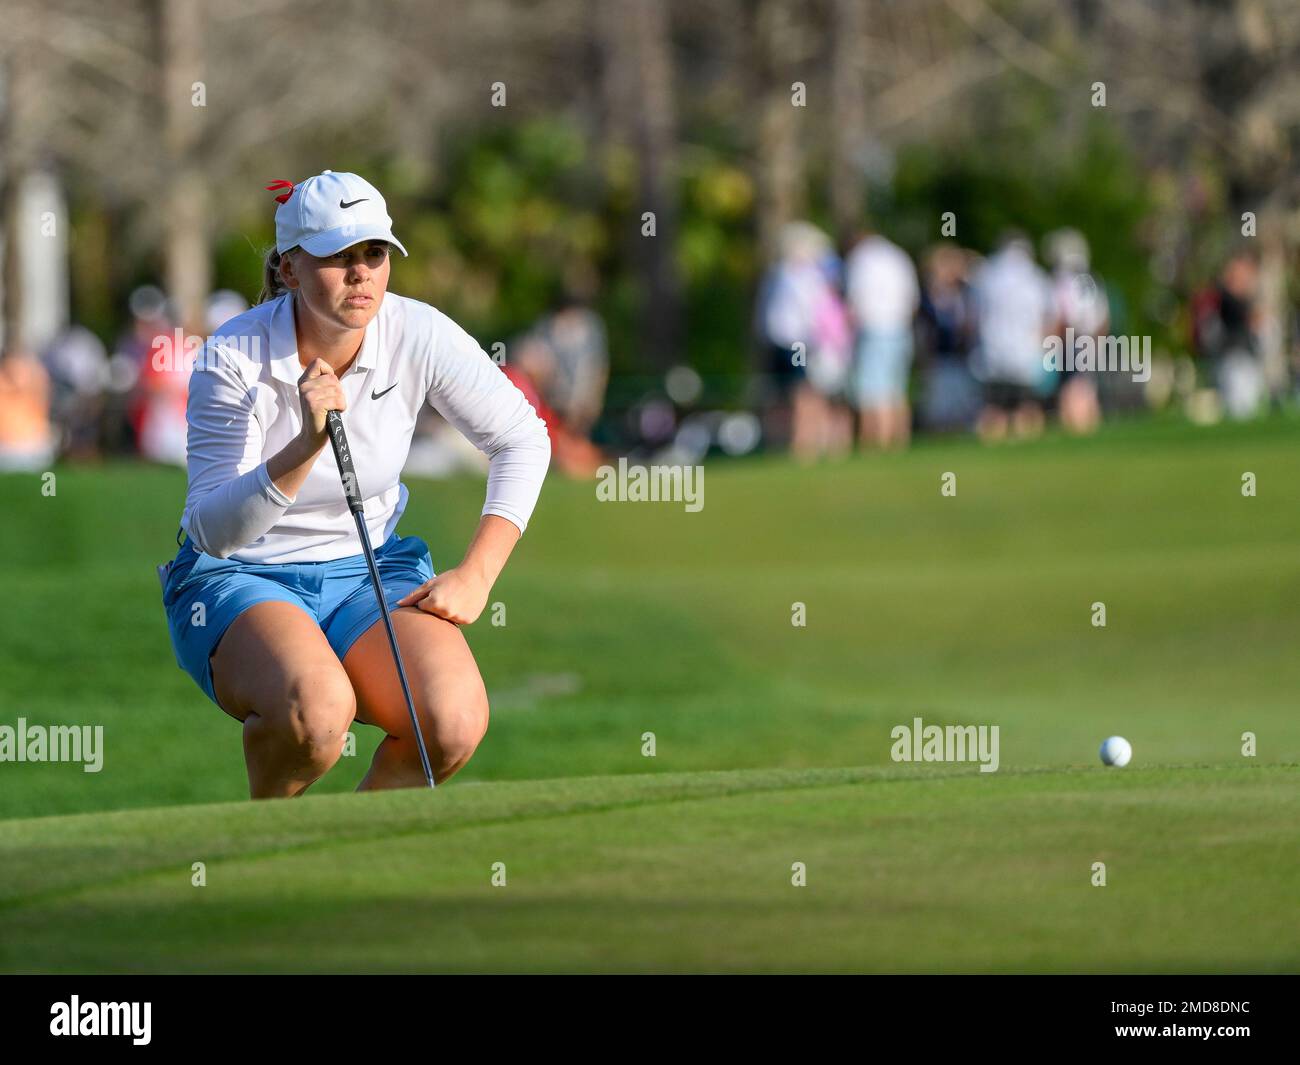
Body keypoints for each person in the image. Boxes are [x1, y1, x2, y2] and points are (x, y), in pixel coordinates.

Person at [159, 171, 551, 798]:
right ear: (289, 269)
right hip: (239, 576)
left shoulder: (418, 331)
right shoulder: (232, 355)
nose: (361, 272)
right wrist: (304, 447)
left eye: (374, 253)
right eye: (338, 256)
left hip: (369, 572)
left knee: (451, 724)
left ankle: (346, 850)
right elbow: (213, 531)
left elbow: (522, 437)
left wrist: (478, 575)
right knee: (317, 716)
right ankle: (267, 847)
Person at [970, 232, 1055, 441]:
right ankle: (1029, 450)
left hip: (993, 353)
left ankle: (990, 449)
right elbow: (1048, 318)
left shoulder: (987, 274)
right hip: (1025, 353)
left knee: (994, 407)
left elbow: (974, 316)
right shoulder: (1036, 277)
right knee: (1026, 406)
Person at [845, 226, 920, 449]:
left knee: (872, 391)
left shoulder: (861, 259)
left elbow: (855, 299)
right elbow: (913, 299)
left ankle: (875, 442)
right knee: (896, 390)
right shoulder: (899, 256)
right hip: (901, 327)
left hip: (873, 328)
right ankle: (899, 439)